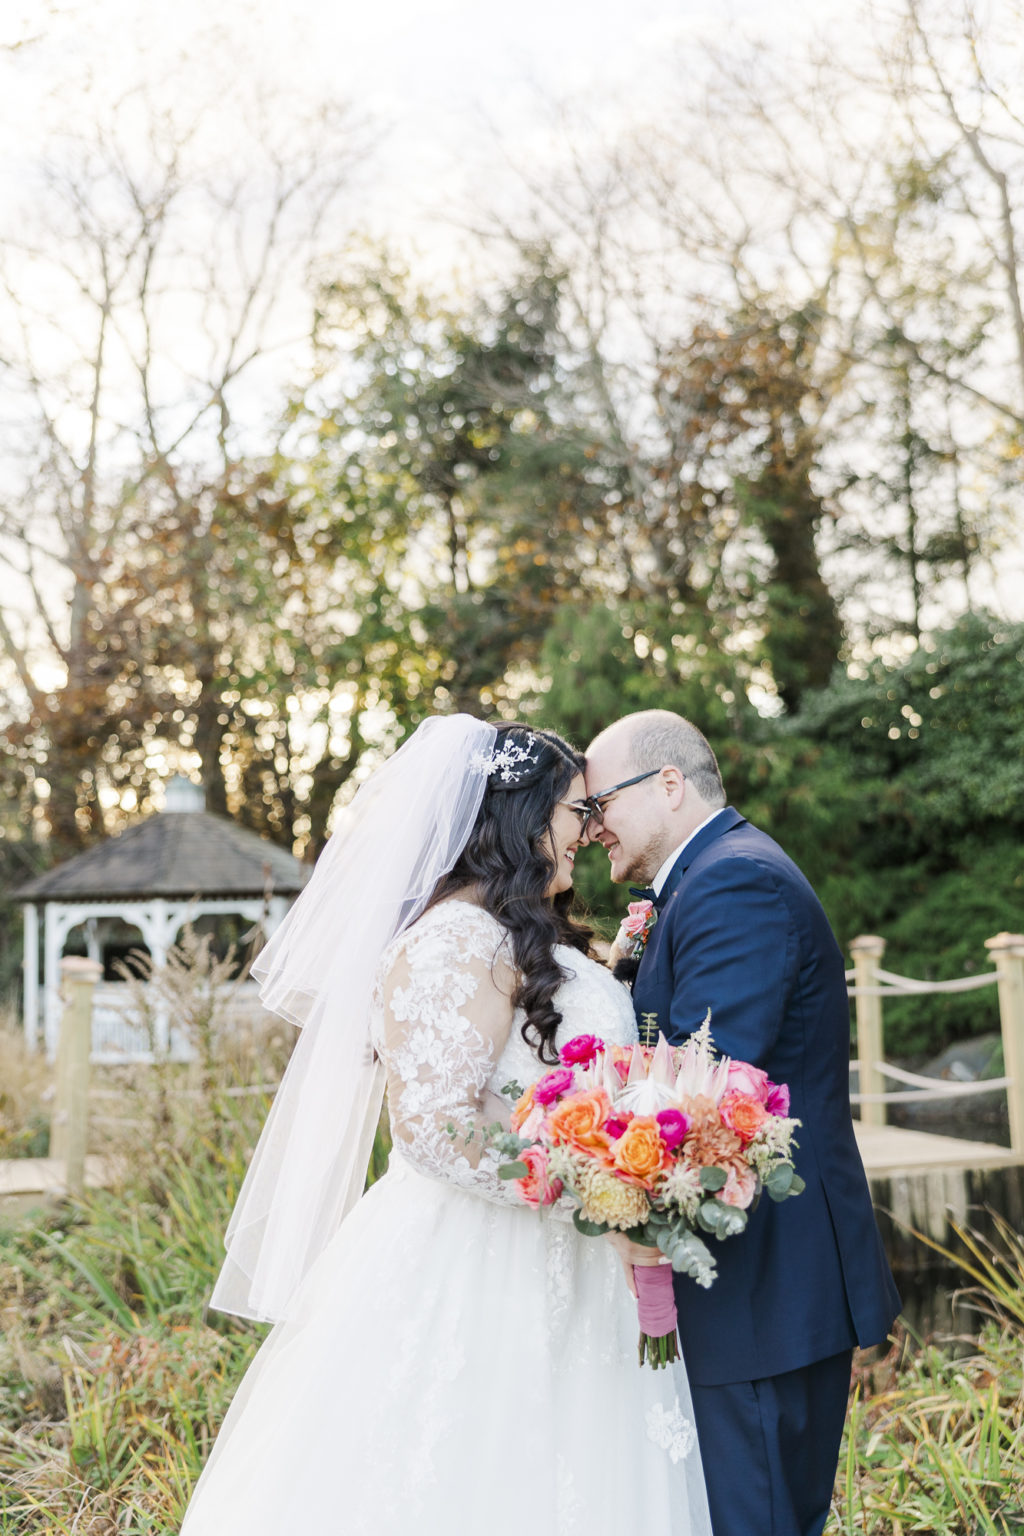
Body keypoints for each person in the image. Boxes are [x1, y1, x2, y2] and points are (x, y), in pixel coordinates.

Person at [180, 715, 711, 1536]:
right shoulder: (452, 942)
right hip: (478, 1263)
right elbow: (432, 1132)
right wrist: (585, 1184)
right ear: (523, 818)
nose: (591, 828)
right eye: (577, 810)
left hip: (579, 1266)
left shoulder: (530, 936)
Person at [582, 709, 901, 1536]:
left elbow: (706, 1086)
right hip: (749, 1286)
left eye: (599, 805)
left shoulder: (733, 882)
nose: (590, 830)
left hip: (762, 1284)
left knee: (754, 1518)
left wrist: (603, 1173)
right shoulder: (707, 877)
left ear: (668, 785)